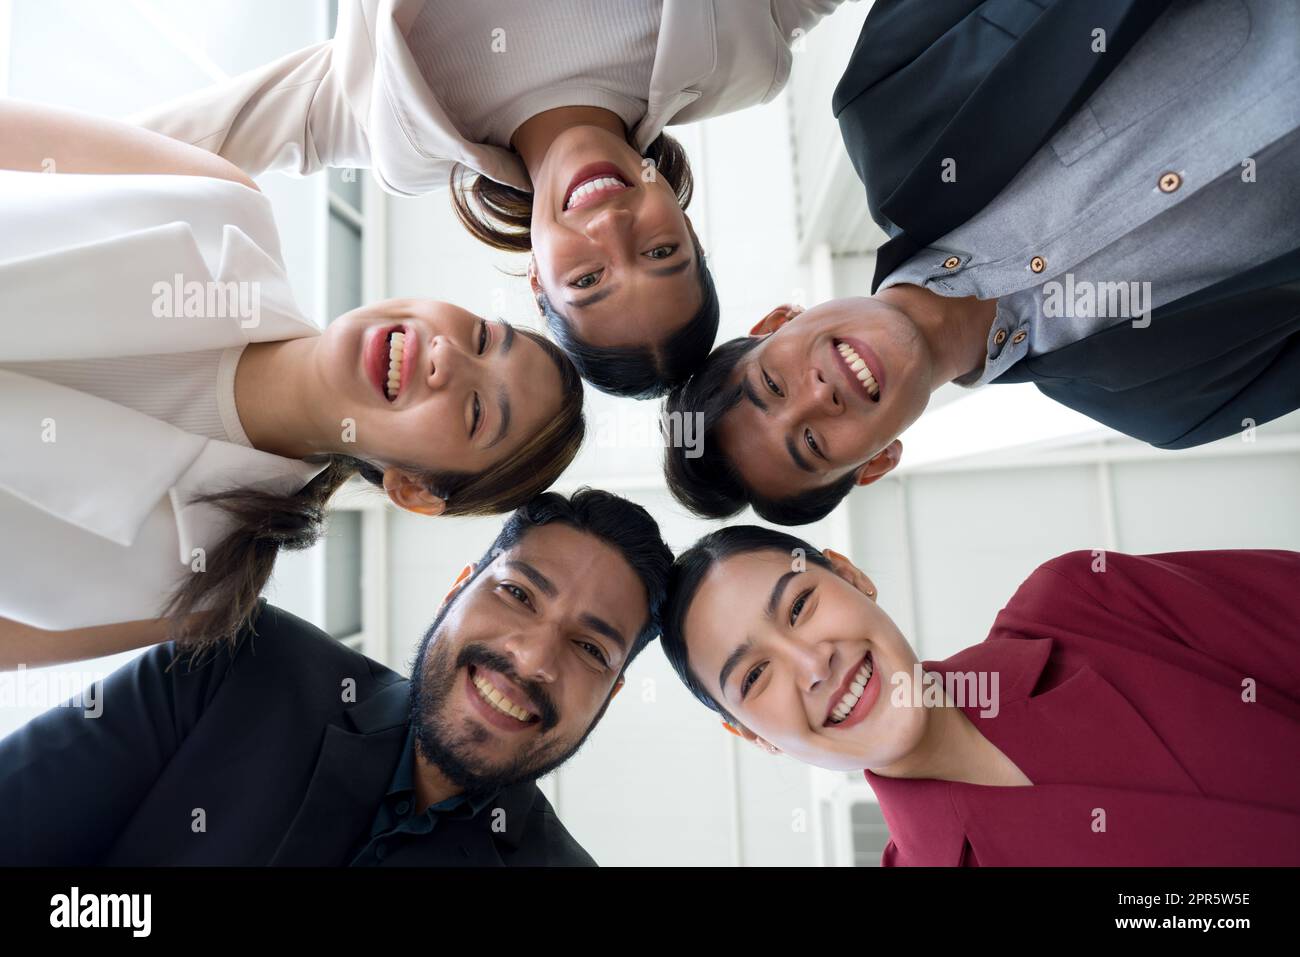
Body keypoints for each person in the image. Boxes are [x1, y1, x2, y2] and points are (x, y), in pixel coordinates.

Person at [664, 0, 1300, 524]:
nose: (817, 396)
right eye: (810, 445)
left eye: (773, 386)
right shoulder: (1173, 405)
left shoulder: (890, 98)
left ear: (777, 321)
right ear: (877, 465)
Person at [0, 100, 583, 665]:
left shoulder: (201, 589)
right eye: (482, 337)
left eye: (477, 412)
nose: (449, 358)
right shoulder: (223, 204)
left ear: (413, 490)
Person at [133, 0, 844, 397]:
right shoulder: (742, 48)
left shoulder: (395, 125)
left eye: (588, 278)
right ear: (688, 226)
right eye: (661, 252)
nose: (613, 230)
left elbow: (167, 154)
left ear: (537, 277)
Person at [0, 488, 673, 866]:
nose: (531, 659)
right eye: (519, 595)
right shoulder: (236, 659)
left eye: (590, 648)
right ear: (458, 588)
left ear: (610, 695)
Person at [659, 525, 1300, 865]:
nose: (811, 662)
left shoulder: (1080, 603)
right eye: (754, 677)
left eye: (800, 606)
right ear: (752, 735)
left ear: (851, 575)